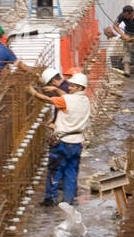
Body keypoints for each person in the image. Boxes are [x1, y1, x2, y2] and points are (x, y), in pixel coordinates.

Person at [31, 71, 92, 207]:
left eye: (72, 86)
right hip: (76, 142)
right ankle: (68, 200)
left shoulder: (67, 100)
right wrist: (56, 89)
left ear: (80, 88)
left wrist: (33, 93)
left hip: (62, 143)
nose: (69, 87)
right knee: (71, 172)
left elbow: (47, 100)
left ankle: (51, 200)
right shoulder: (85, 101)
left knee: (55, 170)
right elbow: (66, 97)